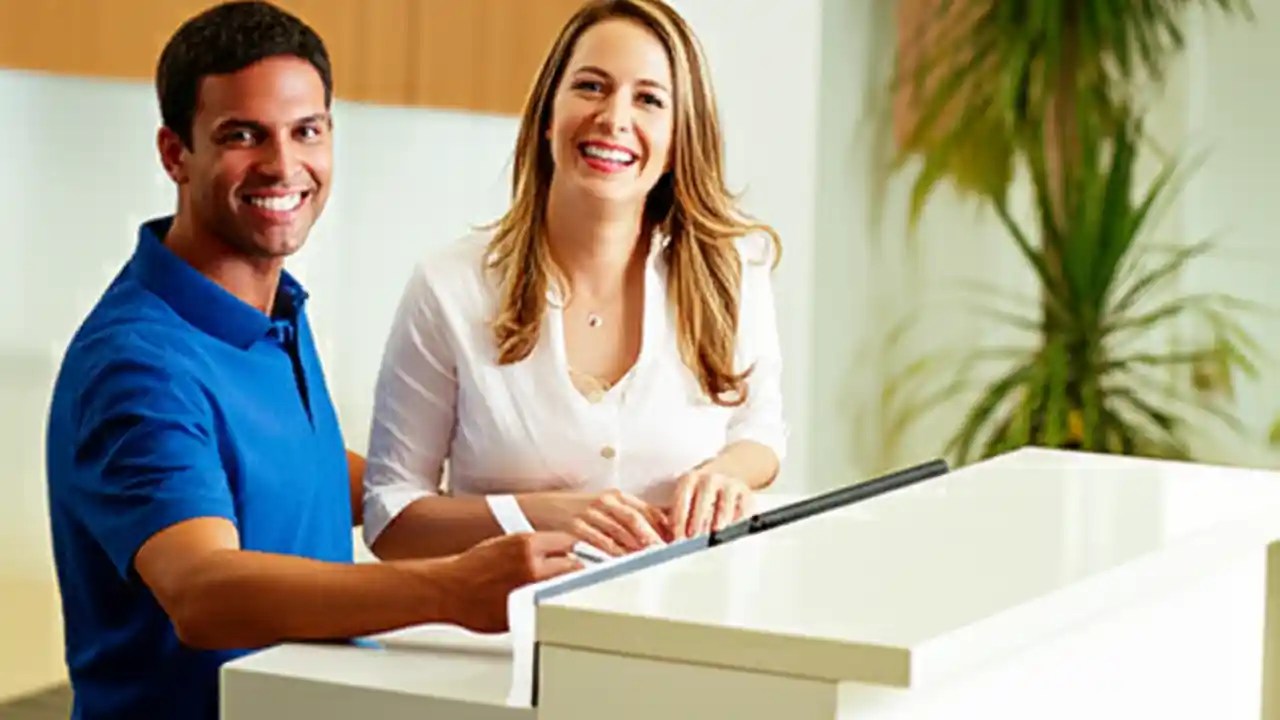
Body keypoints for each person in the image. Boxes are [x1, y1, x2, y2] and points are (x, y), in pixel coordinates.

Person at [43, 3, 579, 719]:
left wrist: (527, 503)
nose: (283, 165)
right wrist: (452, 589)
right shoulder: (138, 365)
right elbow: (203, 591)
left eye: (307, 131)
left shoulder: (272, 308)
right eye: (242, 135)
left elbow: (300, 471)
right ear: (175, 154)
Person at [362, 0, 787, 562]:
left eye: (649, 99)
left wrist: (725, 474)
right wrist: (539, 514)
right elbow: (390, 517)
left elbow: (760, 431)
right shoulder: (449, 287)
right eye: (591, 87)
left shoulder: (733, 273)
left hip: (686, 608)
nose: (614, 118)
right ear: (547, 115)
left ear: (678, 141)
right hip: (504, 617)